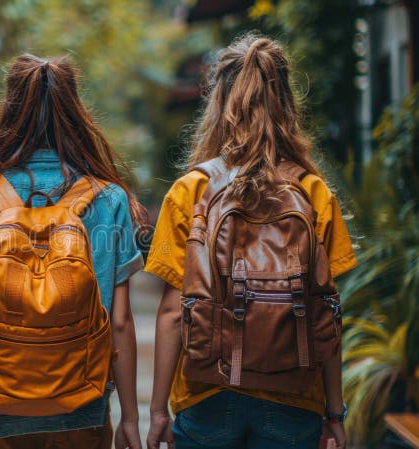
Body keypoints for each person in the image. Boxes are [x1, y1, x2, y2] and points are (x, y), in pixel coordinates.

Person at [144, 33, 356, 449]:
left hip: (206, 396)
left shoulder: (191, 190)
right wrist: (334, 413)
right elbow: (327, 313)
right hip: (295, 398)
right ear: (286, 103)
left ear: (217, 102)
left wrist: (156, 412)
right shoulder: (314, 193)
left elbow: (172, 312)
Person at [0, 54, 145, 449]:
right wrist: (131, 418)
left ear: (8, 110)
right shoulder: (109, 200)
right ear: (75, 111)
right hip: (81, 407)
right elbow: (120, 322)